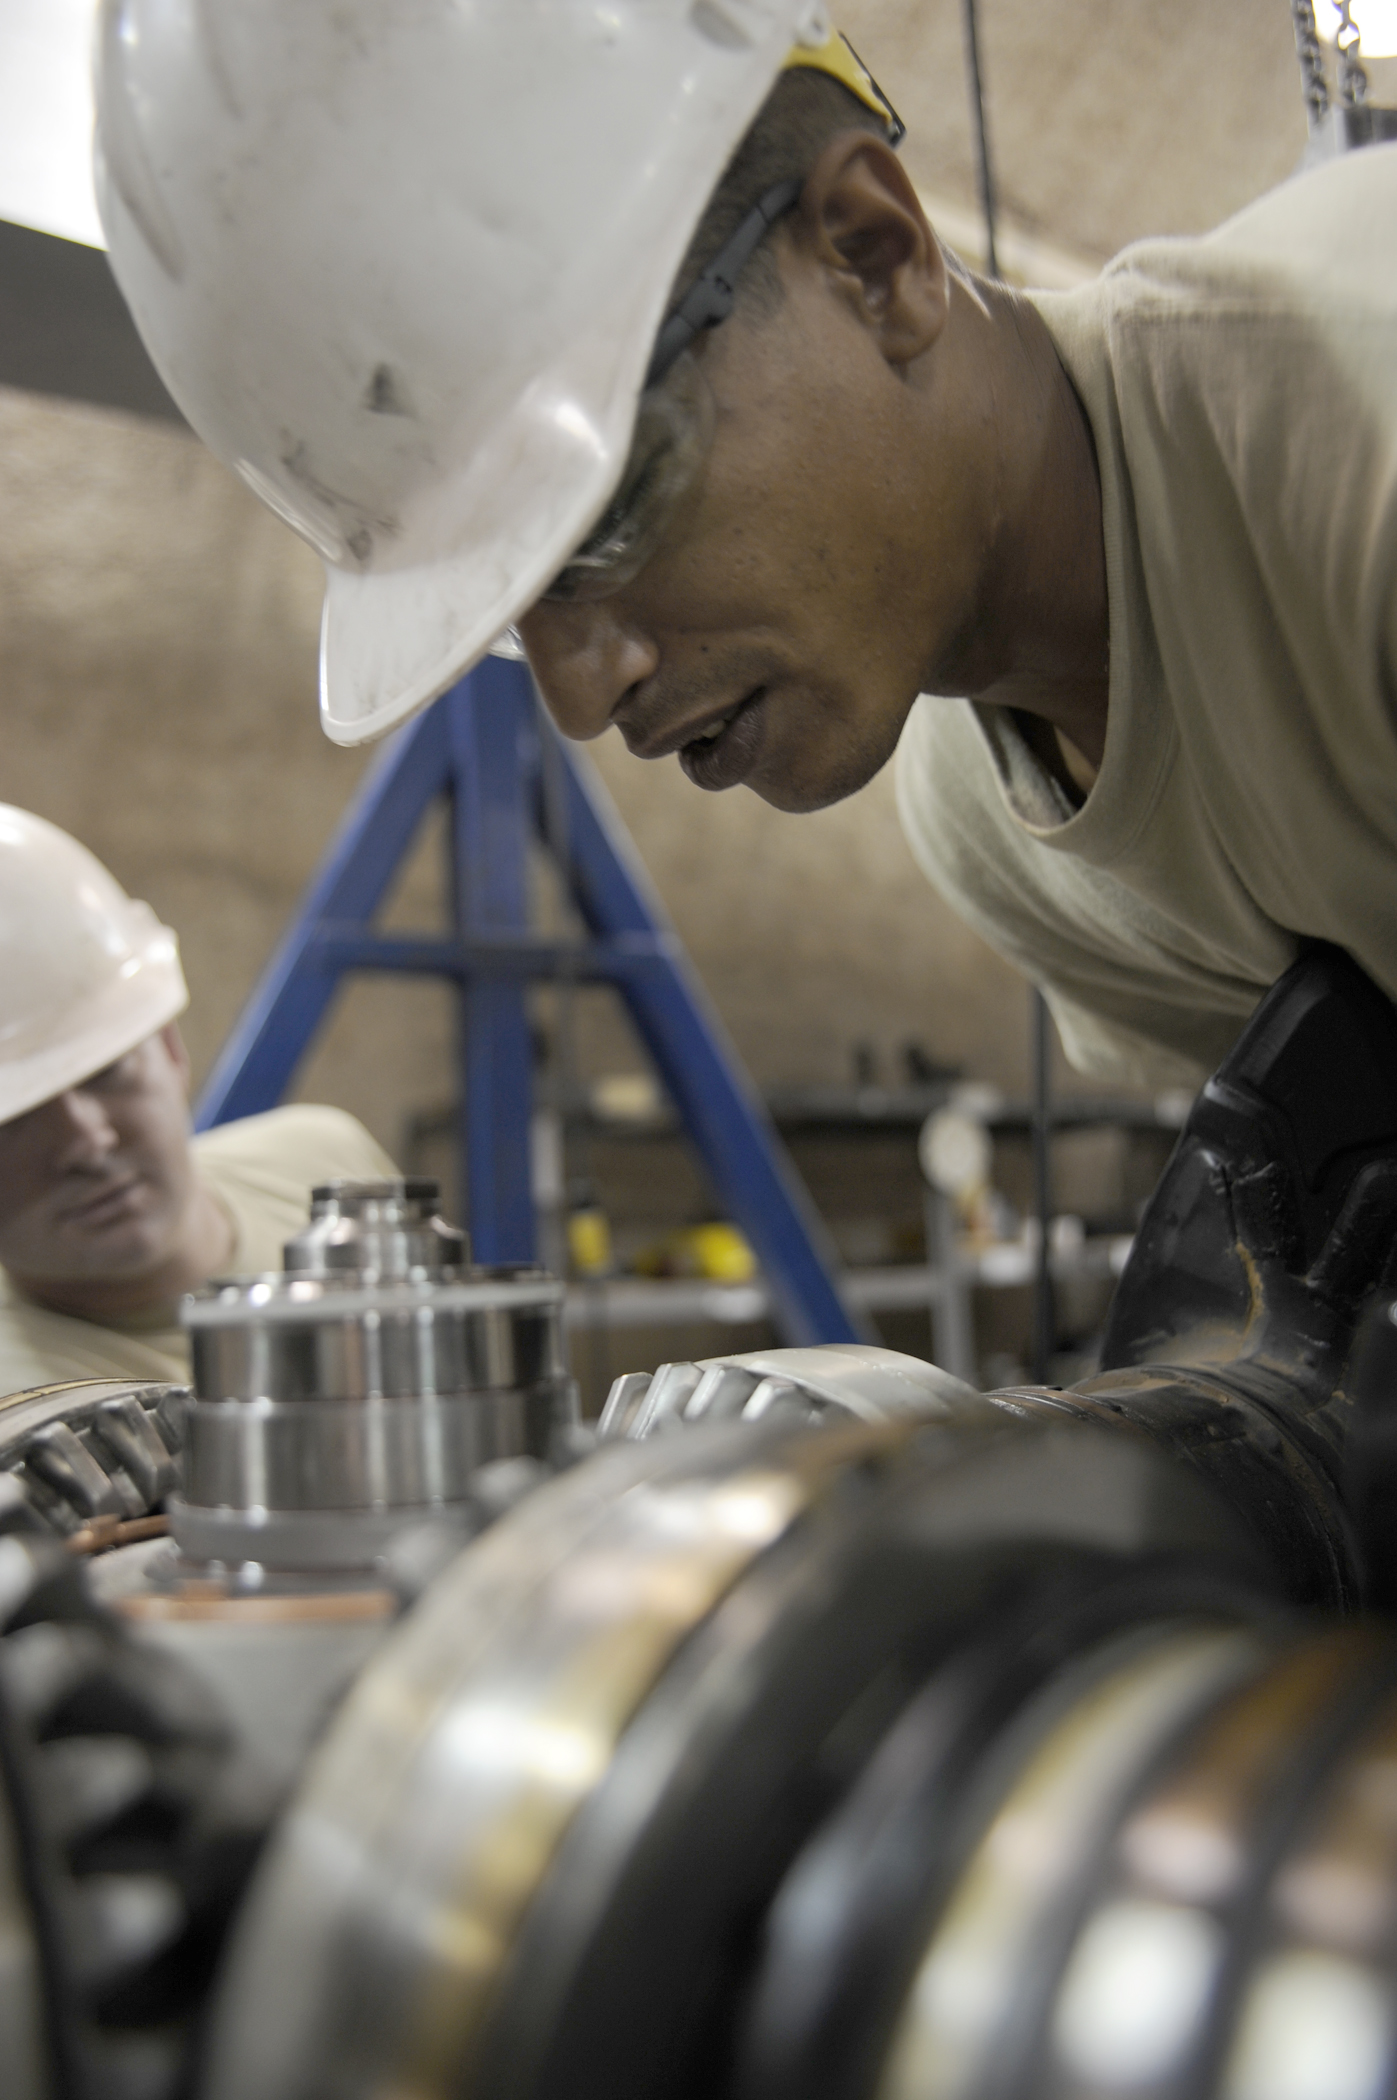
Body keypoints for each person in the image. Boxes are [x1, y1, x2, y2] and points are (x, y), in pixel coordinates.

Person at [95, 6, 1397, 1090]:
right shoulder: (989, 832)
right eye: (508, 610)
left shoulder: (1361, 423)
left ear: (872, 258)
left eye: (605, 510)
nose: (578, 695)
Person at [0, 806, 398, 1394]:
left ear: (170, 1047)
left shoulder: (327, 1170)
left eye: (108, 1070)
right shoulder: (21, 1412)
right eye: (16, 1120)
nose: (87, 1142)